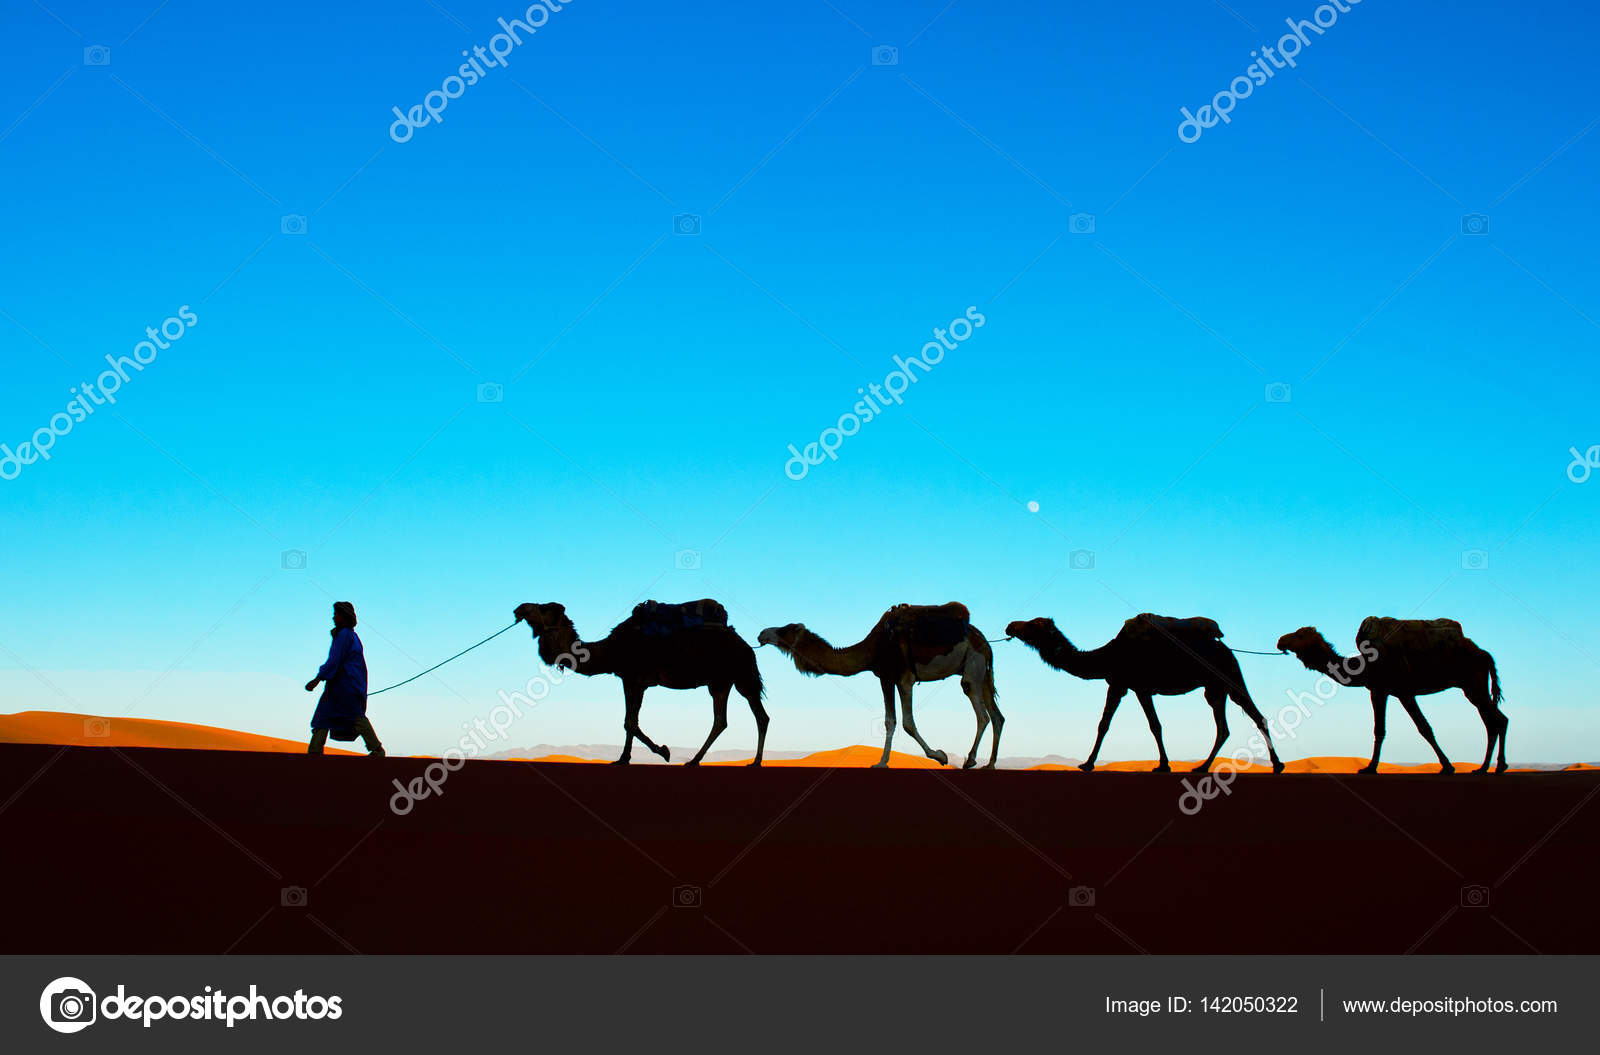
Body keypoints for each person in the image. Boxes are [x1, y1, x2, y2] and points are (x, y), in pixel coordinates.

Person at [304, 601, 385, 756]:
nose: (333, 618)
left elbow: (334, 660)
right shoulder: (352, 637)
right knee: (328, 716)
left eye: (336, 614)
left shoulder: (344, 635)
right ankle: (315, 751)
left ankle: (376, 749)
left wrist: (317, 679)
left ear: (343, 617)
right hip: (346, 686)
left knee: (348, 717)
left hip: (343, 687)